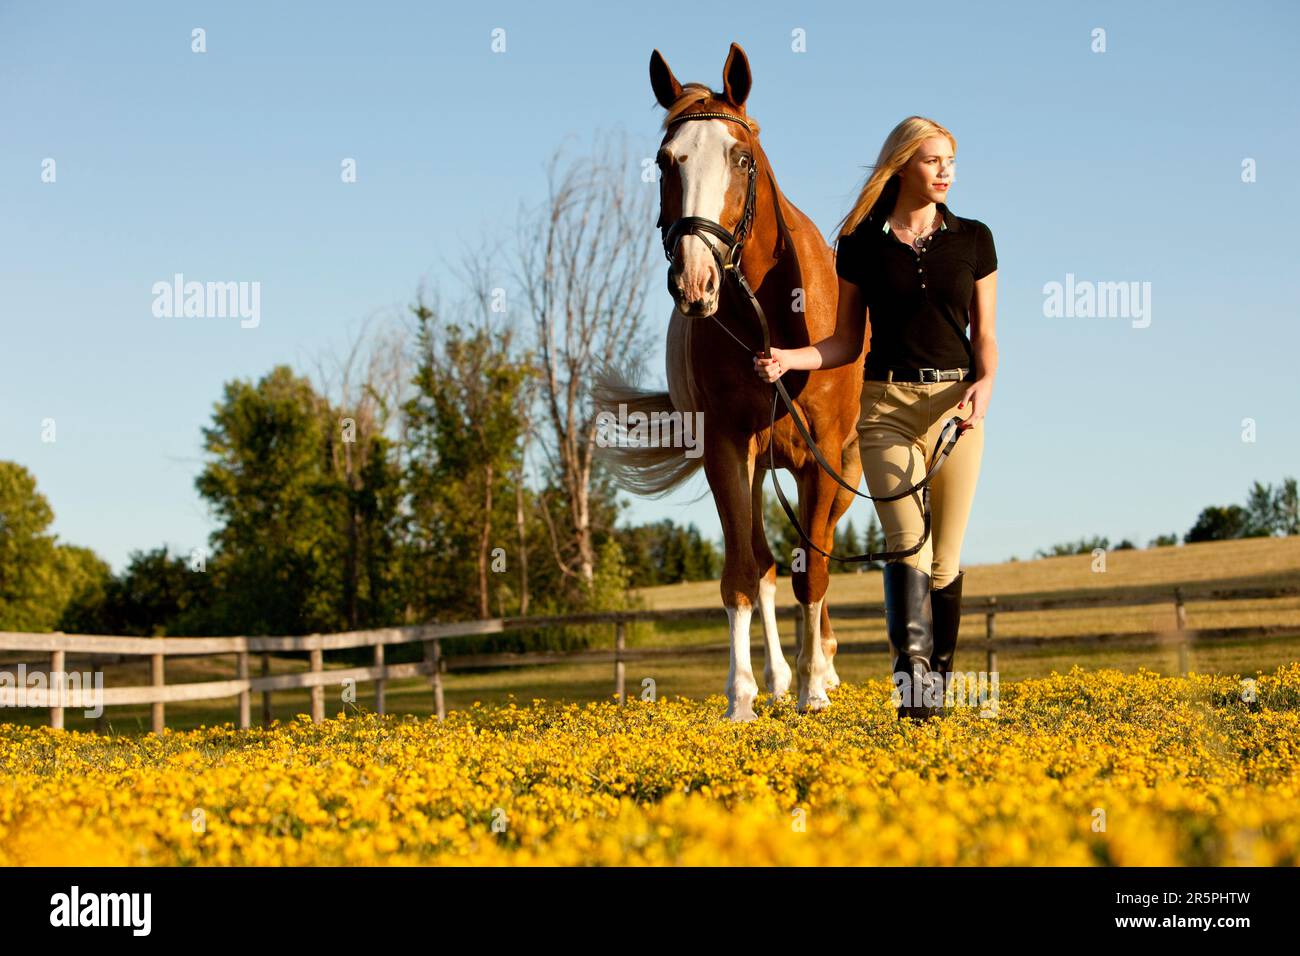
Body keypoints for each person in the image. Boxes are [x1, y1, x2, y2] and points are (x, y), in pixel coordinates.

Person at [754, 115, 998, 720]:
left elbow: (986, 334)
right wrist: (790, 358)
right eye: (933, 159)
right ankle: (913, 701)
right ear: (903, 164)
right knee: (905, 546)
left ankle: (936, 688)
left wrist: (986, 384)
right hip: (886, 409)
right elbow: (842, 341)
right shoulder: (860, 244)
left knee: (944, 561)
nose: (946, 171)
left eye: (951, 161)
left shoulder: (975, 239)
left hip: (955, 411)